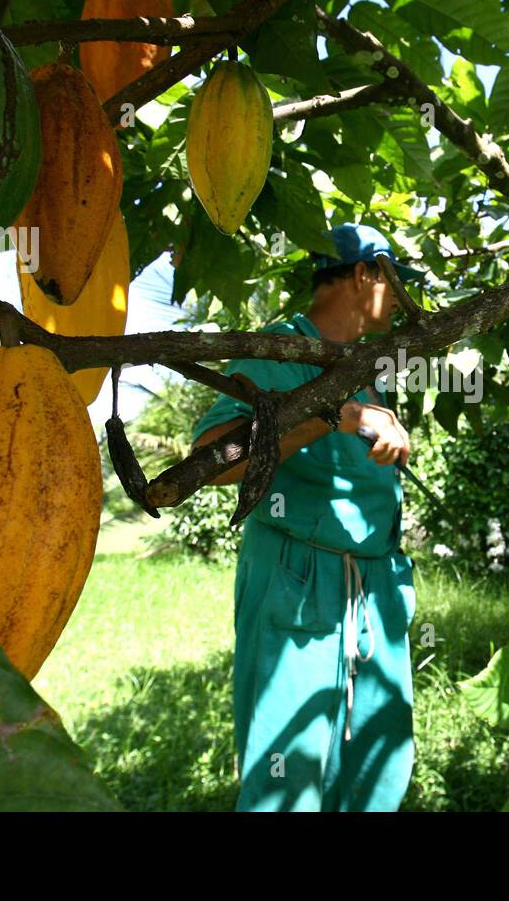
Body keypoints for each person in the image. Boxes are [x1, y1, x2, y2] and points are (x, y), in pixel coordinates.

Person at [191, 222, 425, 812]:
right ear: (364, 273)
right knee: (286, 781)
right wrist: (331, 415)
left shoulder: (367, 364)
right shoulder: (278, 352)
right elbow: (212, 462)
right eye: (394, 282)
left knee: (378, 770)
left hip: (375, 594)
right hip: (299, 583)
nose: (401, 299)